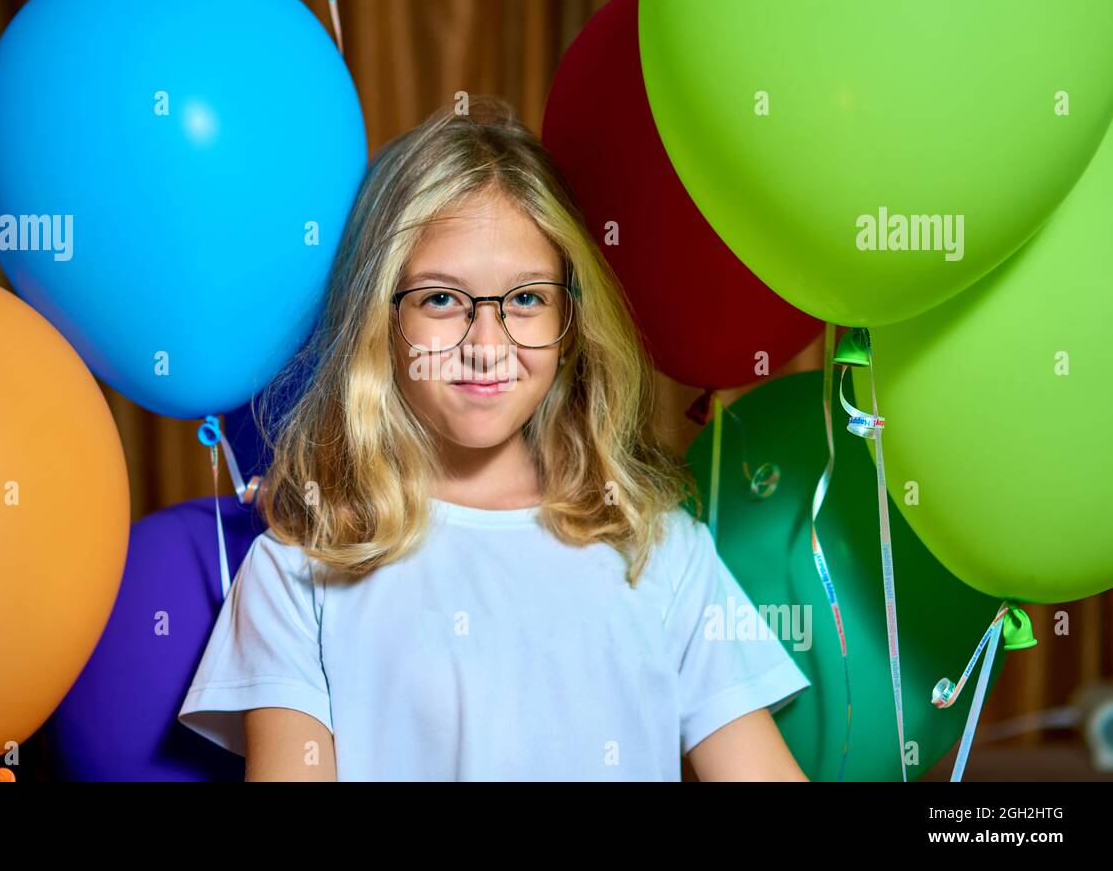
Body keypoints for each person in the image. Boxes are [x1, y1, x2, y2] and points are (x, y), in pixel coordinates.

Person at [178, 98, 810, 781]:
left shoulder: (659, 549)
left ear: (572, 315)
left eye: (527, 298)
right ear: (378, 318)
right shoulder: (298, 570)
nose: (487, 344)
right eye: (442, 299)